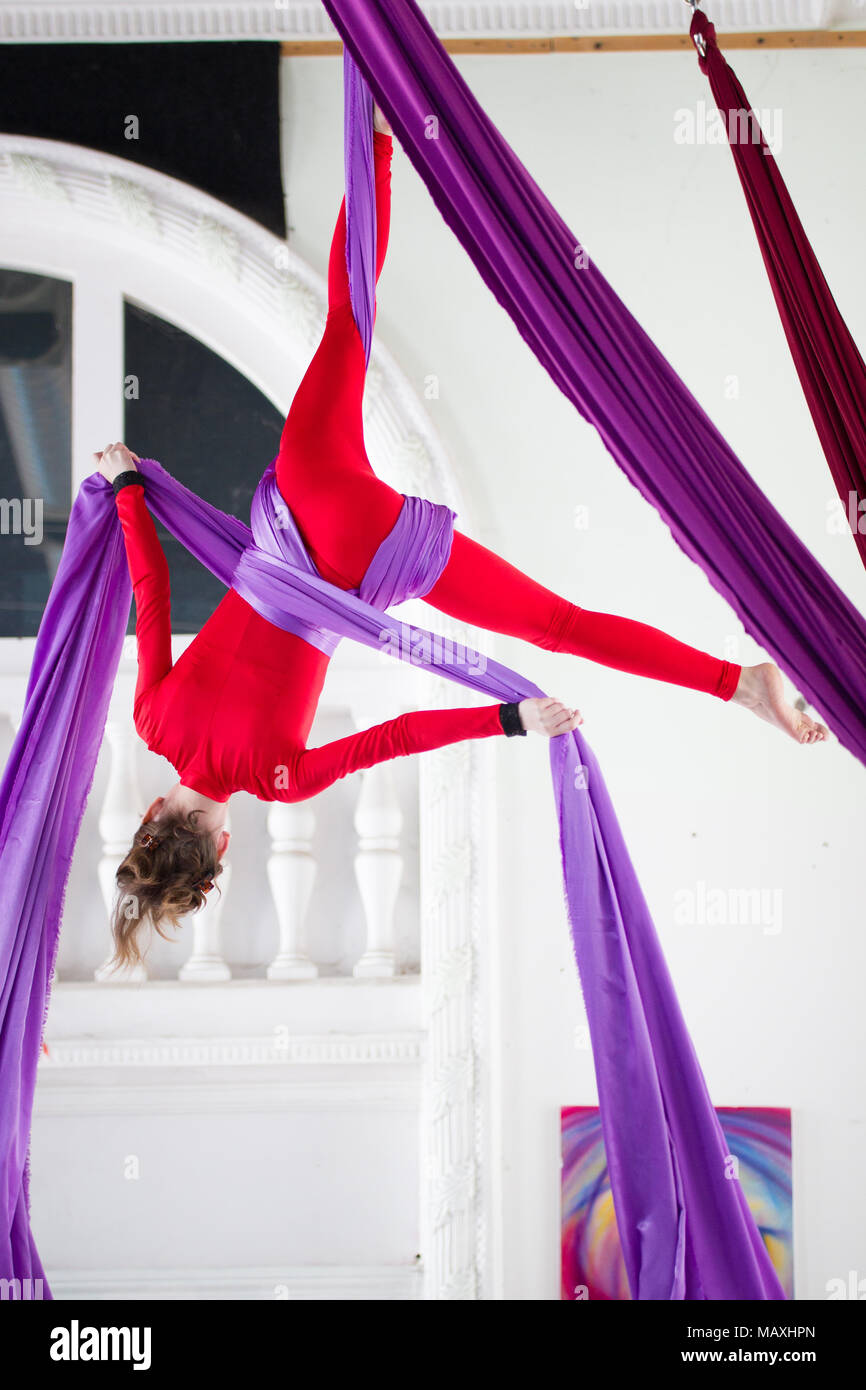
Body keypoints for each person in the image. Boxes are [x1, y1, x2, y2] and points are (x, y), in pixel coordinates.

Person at [99, 105, 827, 972]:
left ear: (220, 850)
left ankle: (739, 682)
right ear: (148, 814)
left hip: (365, 561)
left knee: (559, 625)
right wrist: (129, 490)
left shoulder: (280, 780)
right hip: (300, 504)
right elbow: (151, 590)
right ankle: (373, 126)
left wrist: (510, 720)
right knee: (347, 318)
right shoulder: (152, 718)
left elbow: (400, 735)